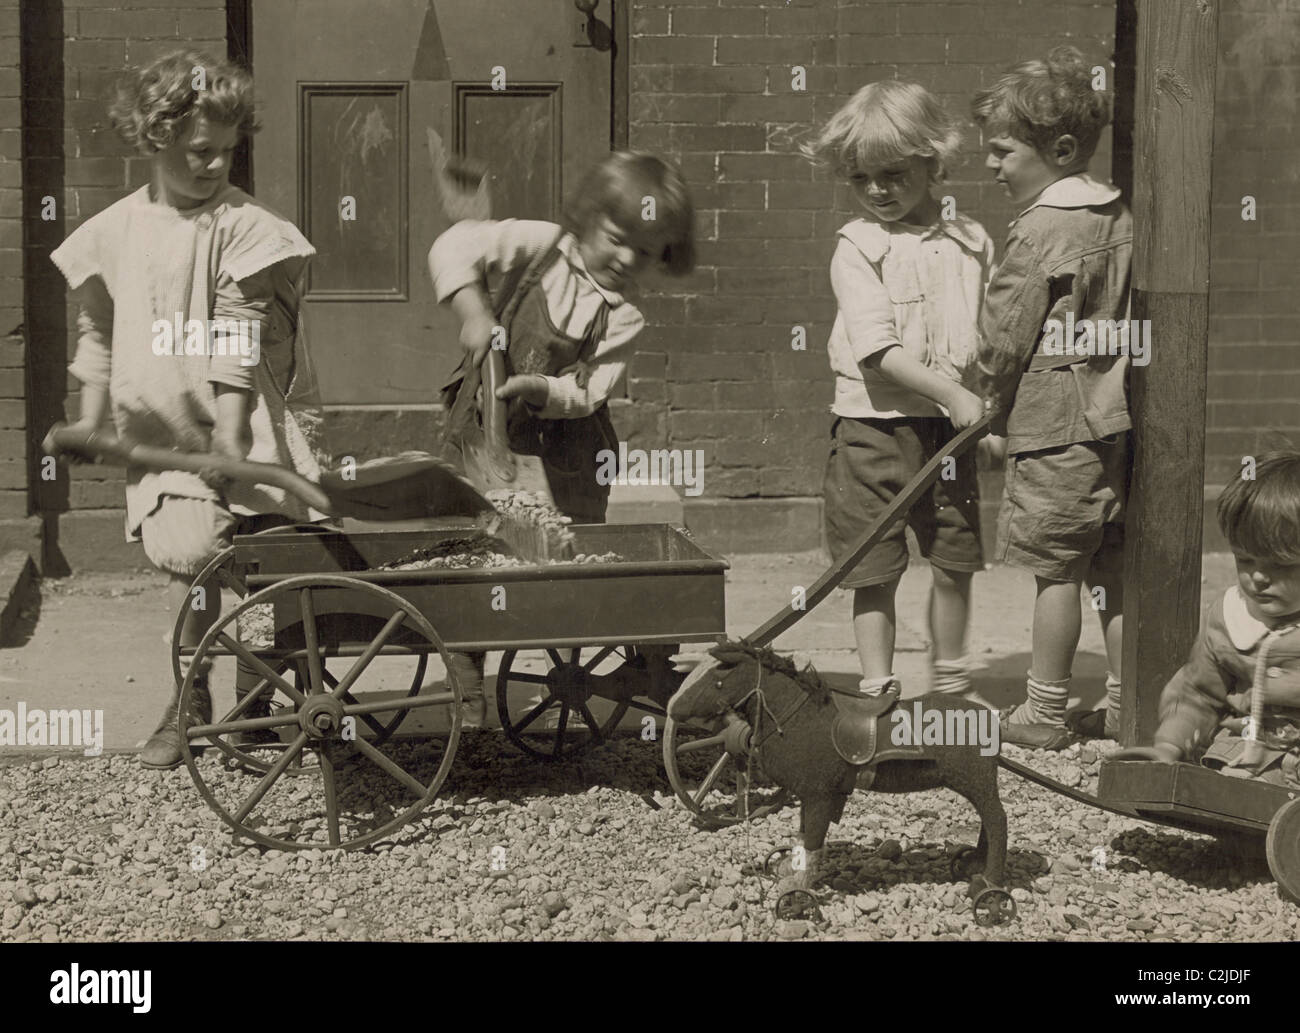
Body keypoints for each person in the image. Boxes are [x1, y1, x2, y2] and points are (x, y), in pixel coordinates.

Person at [50, 50, 328, 768]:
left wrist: (234, 439)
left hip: (248, 432)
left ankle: (256, 698)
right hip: (166, 433)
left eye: (227, 153)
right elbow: (98, 331)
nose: (215, 167)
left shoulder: (239, 226)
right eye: (201, 152)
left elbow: (237, 338)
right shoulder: (114, 233)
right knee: (194, 562)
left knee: (265, 565)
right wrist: (90, 419)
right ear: (155, 138)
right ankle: (191, 694)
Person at [427, 152, 696, 724]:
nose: (626, 259)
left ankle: (582, 659)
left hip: (568, 446)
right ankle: (466, 663)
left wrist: (541, 387)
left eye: (644, 253)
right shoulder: (540, 244)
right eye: (617, 238)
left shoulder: (623, 316)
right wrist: (474, 312)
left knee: (567, 551)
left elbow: (591, 389)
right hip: (486, 431)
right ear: (589, 216)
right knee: (474, 543)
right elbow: (452, 246)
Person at [801, 80, 993, 704]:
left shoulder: (972, 241)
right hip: (874, 429)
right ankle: (879, 687)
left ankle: (952, 686)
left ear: (932, 163)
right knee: (872, 566)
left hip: (951, 431)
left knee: (955, 559)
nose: (878, 190)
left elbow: (989, 333)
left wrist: (985, 403)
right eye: (862, 178)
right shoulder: (858, 247)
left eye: (894, 173)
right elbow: (877, 351)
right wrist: (955, 396)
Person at [972, 46, 1133, 750]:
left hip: (1054, 424)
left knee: (1056, 570)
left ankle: (1043, 710)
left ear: (1059, 149)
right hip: (1114, 417)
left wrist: (984, 395)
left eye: (1003, 151)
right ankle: (1129, 703)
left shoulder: (1040, 229)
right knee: (1110, 568)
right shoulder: (1117, 215)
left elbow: (1006, 335)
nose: (992, 165)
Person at [1112, 453, 1300, 788]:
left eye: (1281, 565)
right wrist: (1170, 744)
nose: (1257, 576)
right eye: (1245, 560)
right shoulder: (1230, 619)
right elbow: (1198, 693)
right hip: (1248, 756)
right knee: (1225, 778)